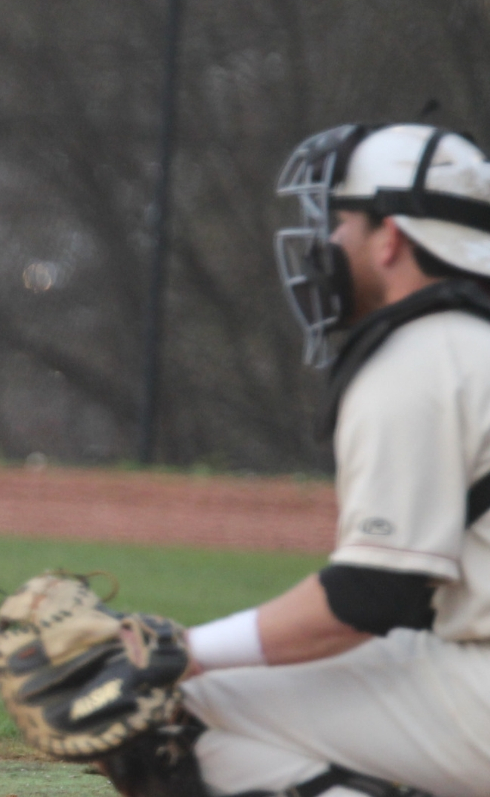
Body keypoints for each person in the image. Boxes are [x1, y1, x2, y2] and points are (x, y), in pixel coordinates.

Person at [172, 123, 490, 796]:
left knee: (165, 715)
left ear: (392, 238)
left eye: (344, 220)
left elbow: (367, 598)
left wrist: (182, 654)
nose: (330, 242)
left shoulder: (421, 356)